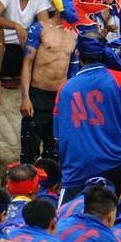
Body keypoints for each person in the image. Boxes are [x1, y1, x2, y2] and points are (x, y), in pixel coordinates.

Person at [53, 33, 121, 198]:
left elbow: (58, 136)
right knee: (115, 218)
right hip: (115, 167)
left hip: (77, 172)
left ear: (78, 54)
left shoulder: (65, 89)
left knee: (69, 221)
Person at [20, 12, 77, 164]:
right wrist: (25, 97)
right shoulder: (40, 28)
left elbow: (73, 72)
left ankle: (50, 184)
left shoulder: (75, 34)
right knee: (29, 151)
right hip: (37, 94)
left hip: (60, 98)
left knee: (54, 152)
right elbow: (27, 63)